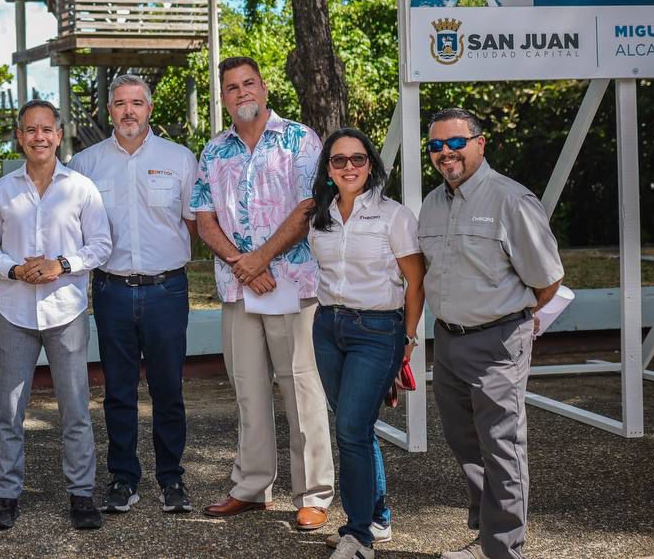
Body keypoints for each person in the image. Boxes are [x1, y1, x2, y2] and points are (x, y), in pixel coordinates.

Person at [190, 56, 335, 529]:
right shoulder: (214, 152)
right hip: (238, 288)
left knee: (302, 390)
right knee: (248, 390)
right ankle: (252, 487)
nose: (241, 93)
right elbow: (203, 217)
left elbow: (308, 205)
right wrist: (242, 263)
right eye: (231, 87)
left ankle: (313, 493)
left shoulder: (299, 139)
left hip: (292, 285)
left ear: (264, 87)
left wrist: (261, 259)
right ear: (224, 97)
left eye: (248, 83)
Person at [419, 108, 563, 559]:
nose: (447, 153)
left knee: (502, 448)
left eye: (456, 142)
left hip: (497, 342)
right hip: (447, 341)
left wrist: (511, 320)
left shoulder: (511, 201)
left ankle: (504, 551)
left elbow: (547, 280)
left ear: (481, 142)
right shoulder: (431, 203)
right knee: (468, 447)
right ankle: (486, 541)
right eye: (437, 146)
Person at [0, 99, 113, 532]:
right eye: (30, 130)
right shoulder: (0, 190)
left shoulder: (81, 188)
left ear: (59, 134)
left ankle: (81, 494)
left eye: (46, 129)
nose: (39, 137)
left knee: (75, 408)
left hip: (66, 311)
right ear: (20, 136)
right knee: (8, 410)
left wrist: (61, 265)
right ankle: (5, 494)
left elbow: (101, 245)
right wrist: (15, 268)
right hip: (15, 311)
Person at [69, 74, 198, 515]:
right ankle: (123, 478)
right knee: (119, 391)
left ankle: (172, 479)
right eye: (120, 103)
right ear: (109, 111)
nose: (129, 111)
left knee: (168, 389)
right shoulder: (85, 164)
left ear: (150, 109)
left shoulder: (179, 159)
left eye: (137, 103)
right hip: (112, 291)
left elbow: (195, 223)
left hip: (167, 290)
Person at [307, 128, 425, 559]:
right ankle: (378, 516)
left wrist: (408, 339)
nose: (349, 167)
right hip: (327, 328)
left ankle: (358, 536)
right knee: (356, 428)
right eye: (339, 160)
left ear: (370, 165)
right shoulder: (320, 216)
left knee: (350, 431)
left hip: (378, 332)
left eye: (358, 159)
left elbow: (415, 283)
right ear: (328, 170)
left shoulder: (394, 216)